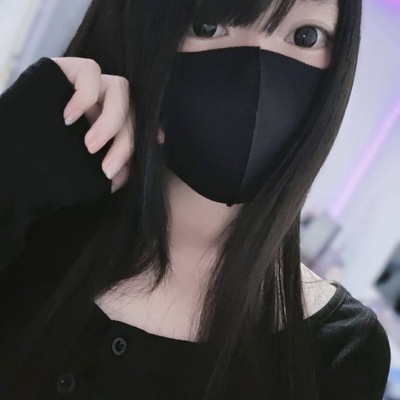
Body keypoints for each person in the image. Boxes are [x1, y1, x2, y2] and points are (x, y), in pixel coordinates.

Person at [0, 0, 391, 399]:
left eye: (306, 37)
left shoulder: (341, 354)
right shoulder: (29, 220)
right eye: (207, 26)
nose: (255, 74)